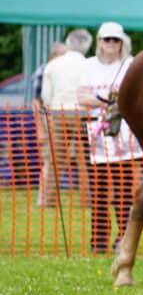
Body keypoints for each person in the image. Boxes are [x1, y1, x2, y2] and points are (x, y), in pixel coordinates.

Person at [76, 21, 143, 254]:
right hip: (97, 135)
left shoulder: (130, 64)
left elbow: (130, 97)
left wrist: (101, 97)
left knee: (125, 192)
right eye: (107, 40)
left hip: (124, 132)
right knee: (99, 192)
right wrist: (109, 98)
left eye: (116, 40)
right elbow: (82, 98)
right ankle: (99, 241)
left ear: (122, 42)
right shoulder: (88, 65)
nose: (111, 44)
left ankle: (123, 237)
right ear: (99, 42)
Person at [41, 29, 93, 207]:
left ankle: (50, 200)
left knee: (57, 158)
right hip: (82, 113)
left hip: (58, 112)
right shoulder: (89, 65)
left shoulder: (53, 65)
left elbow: (46, 95)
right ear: (86, 45)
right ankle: (87, 200)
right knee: (84, 160)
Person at [33, 40, 67, 206]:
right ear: (54, 55)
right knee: (49, 160)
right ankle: (44, 198)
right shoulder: (44, 71)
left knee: (60, 160)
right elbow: (36, 101)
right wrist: (41, 127)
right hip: (49, 119)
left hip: (62, 117)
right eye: (63, 54)